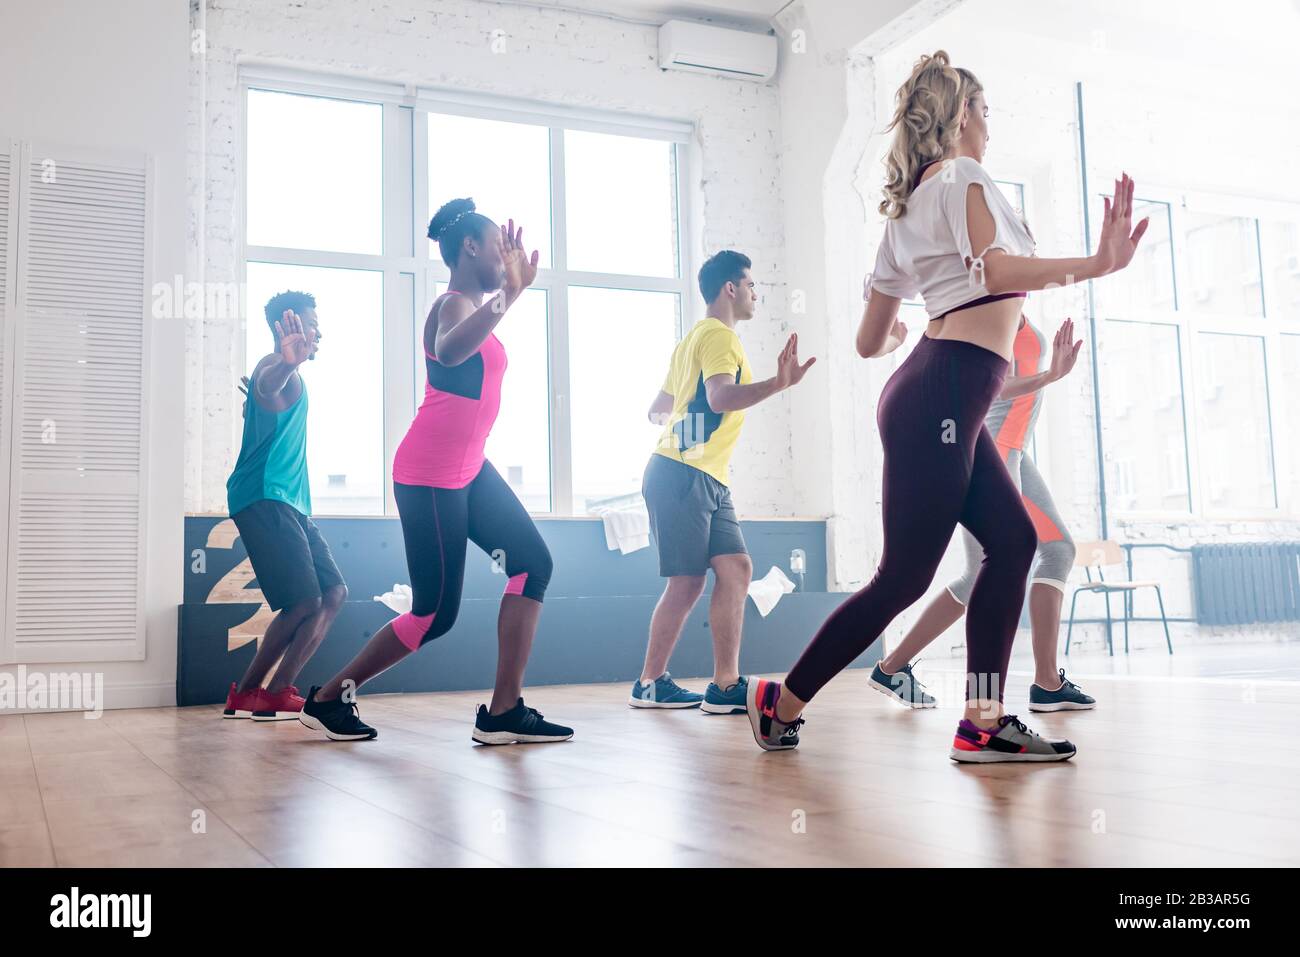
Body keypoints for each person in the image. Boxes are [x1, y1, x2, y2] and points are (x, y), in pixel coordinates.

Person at [746, 50, 1147, 762]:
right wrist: (1093, 263)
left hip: (933, 387)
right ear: (962, 115)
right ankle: (781, 701)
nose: (989, 127)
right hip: (944, 390)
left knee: (1016, 542)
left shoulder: (905, 211)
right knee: (903, 576)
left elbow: (871, 340)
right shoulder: (965, 176)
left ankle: (982, 718)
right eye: (985, 112)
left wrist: (905, 326)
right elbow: (994, 272)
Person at [299, 199, 572, 745]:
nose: (509, 253)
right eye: (500, 243)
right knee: (434, 615)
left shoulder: (478, 306)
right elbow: (448, 353)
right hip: (429, 476)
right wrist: (511, 294)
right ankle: (329, 698)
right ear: (469, 247)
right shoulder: (451, 307)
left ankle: (503, 711)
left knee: (531, 564)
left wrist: (506, 296)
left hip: (469, 471)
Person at [871, 315, 1096, 713]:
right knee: (979, 574)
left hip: (1016, 452)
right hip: (988, 451)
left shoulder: (1013, 306)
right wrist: (1049, 377)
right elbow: (989, 389)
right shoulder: (986, 313)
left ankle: (1047, 682)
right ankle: (893, 668)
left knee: (1058, 550)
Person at [631, 251, 814, 713]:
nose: (756, 293)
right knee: (687, 583)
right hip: (683, 473)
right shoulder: (720, 336)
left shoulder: (692, 339)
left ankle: (724, 685)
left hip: (703, 474)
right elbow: (717, 399)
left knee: (736, 569)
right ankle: (650, 683)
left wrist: (685, 430)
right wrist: (778, 383)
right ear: (729, 289)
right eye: (751, 285)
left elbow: (658, 409)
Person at [223, 292, 347, 722]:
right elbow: (267, 385)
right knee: (303, 601)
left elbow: (261, 397)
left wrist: (279, 375)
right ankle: (249, 694)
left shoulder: (290, 377)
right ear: (285, 328)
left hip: (291, 503)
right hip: (263, 496)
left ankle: (275, 692)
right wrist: (285, 364)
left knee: (332, 594)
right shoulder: (275, 368)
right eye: (311, 323)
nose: (318, 332)